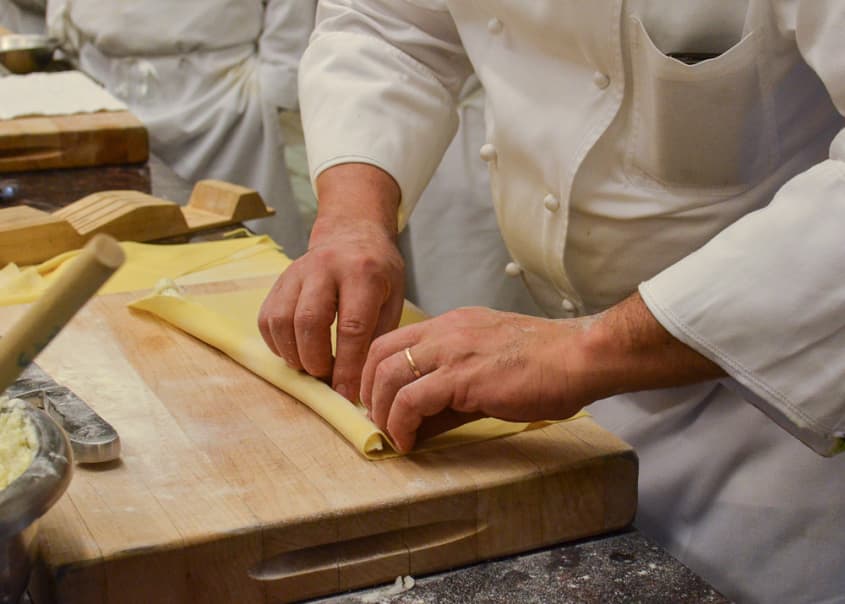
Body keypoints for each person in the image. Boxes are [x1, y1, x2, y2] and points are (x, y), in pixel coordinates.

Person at [257, 2, 845, 603]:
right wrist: (352, 217)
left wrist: (585, 351)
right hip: (583, 413)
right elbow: (389, 25)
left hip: (787, 401)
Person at [45, 0, 316, 257]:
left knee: (238, 252)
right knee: (109, 251)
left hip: (222, 98)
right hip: (102, 80)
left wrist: (279, 80)